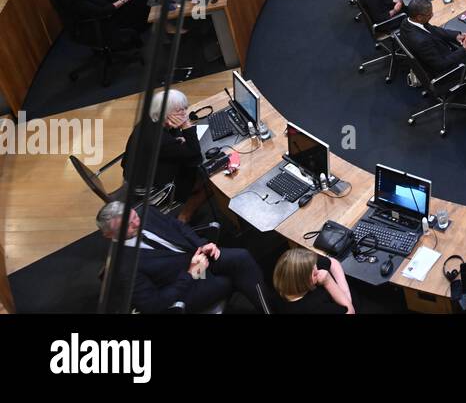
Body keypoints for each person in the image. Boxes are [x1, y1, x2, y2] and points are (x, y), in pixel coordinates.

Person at [95, 201, 266, 314]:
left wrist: (201, 244)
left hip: (197, 259)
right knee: (231, 278)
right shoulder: (123, 267)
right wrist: (191, 274)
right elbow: (154, 305)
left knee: (241, 257)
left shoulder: (145, 212)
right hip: (184, 286)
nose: (137, 223)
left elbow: (178, 226)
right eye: (128, 225)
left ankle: (268, 308)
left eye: (134, 217)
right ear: (109, 235)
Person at [121, 88, 206, 221]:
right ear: (165, 114)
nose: (185, 113)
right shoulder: (162, 141)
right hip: (152, 192)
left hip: (135, 179)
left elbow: (173, 139)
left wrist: (177, 135)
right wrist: (186, 126)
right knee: (206, 182)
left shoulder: (148, 122)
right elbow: (195, 157)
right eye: (179, 111)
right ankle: (184, 217)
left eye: (185, 108)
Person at [402, 0, 466, 81]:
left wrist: (455, 35)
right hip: (443, 70)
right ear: (419, 17)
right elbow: (441, 65)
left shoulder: (407, 22)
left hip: (437, 53)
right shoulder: (422, 42)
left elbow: (433, 29)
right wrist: (463, 48)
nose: (432, 15)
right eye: (429, 14)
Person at [273, 247, 354, 314]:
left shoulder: (288, 277)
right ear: (303, 281)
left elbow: (332, 262)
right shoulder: (315, 308)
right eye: (314, 273)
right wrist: (328, 281)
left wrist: (345, 292)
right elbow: (350, 311)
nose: (316, 269)